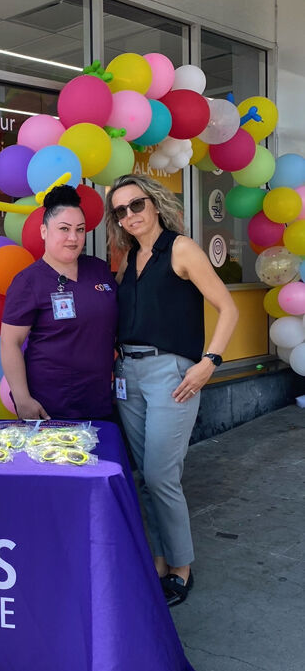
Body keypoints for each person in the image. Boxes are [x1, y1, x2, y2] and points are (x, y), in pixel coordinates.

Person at [105, 174, 239, 606]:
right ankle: (159, 561)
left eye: (136, 205)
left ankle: (181, 567)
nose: (130, 216)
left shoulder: (181, 249)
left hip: (173, 375)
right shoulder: (127, 258)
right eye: (120, 211)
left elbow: (228, 308)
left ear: (155, 203)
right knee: (146, 475)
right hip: (129, 373)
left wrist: (209, 362)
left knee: (162, 474)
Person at [0, 184, 118, 420]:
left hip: (100, 398)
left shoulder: (98, 270)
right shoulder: (28, 282)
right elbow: (10, 343)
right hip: (50, 403)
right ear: (44, 231)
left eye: (80, 230)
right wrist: (22, 399)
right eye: (64, 229)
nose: (73, 238)